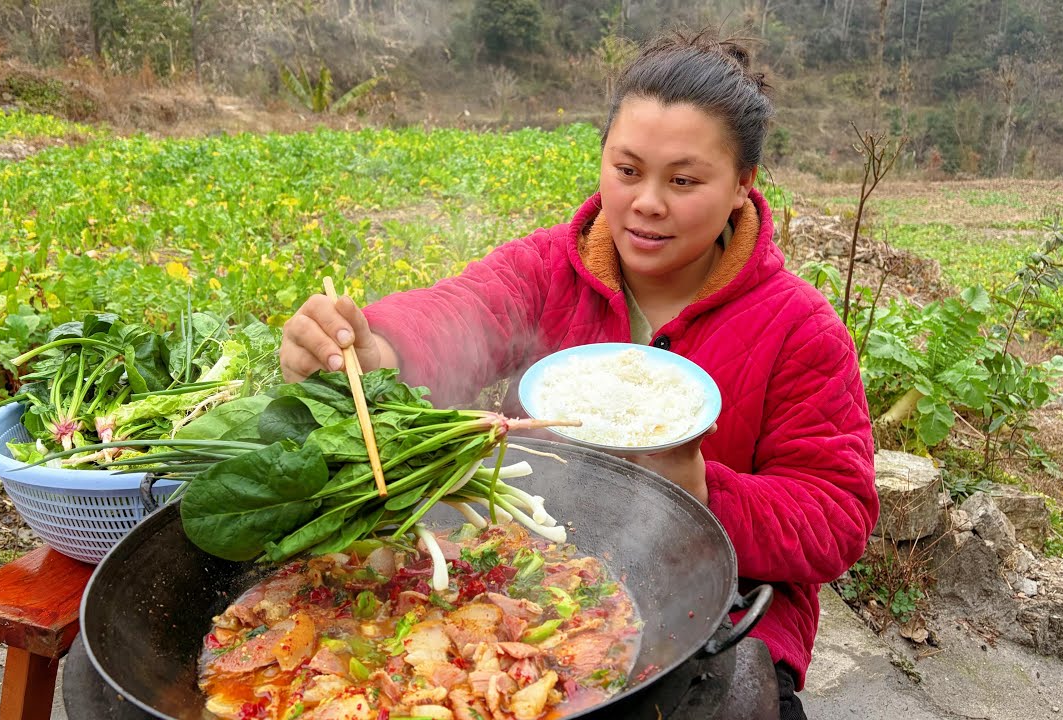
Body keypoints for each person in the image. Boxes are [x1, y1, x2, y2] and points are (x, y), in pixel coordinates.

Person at [280, 28, 878, 720]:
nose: (647, 202)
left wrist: (703, 492)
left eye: (683, 181)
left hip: (716, 612)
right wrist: (378, 347)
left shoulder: (799, 329)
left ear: (743, 184)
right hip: (522, 565)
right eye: (627, 170)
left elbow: (837, 516)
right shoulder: (549, 269)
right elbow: (462, 312)